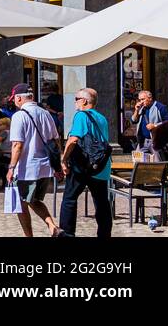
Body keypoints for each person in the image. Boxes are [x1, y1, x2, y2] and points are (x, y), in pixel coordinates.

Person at [7, 82, 63, 237]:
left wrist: (11, 167)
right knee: (34, 200)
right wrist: (57, 166)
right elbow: (56, 141)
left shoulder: (19, 116)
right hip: (45, 167)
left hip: (27, 168)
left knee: (21, 204)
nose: (14, 102)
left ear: (19, 98)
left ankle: (30, 235)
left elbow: (17, 145)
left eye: (14, 99)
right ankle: (53, 228)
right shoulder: (46, 114)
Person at [59, 87, 112, 238]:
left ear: (84, 101)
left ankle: (67, 234)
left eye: (76, 99)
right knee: (102, 203)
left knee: (69, 199)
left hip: (82, 166)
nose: (75, 103)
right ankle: (104, 234)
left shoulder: (81, 115)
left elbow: (73, 139)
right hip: (101, 166)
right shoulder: (102, 118)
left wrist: (64, 159)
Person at [130, 90, 168, 156]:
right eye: (140, 100)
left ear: (150, 98)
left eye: (143, 99)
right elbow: (133, 121)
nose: (141, 102)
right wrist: (136, 110)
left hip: (155, 140)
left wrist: (155, 126)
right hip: (142, 141)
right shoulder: (141, 108)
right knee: (137, 162)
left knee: (158, 162)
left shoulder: (160, 107)